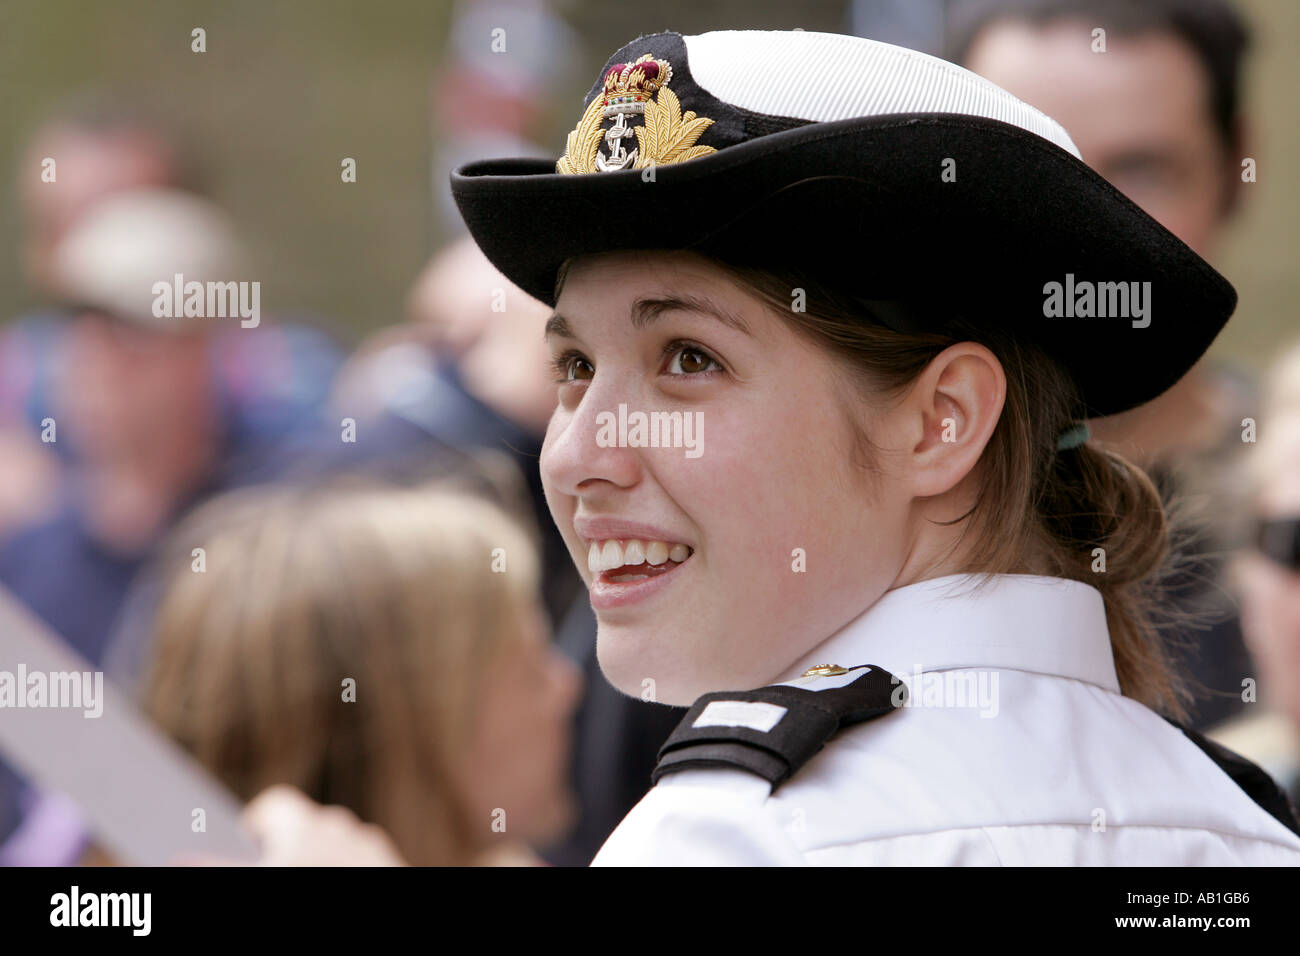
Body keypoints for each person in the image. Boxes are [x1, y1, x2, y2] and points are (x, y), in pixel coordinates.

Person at [213, 28, 1300, 865]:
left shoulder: (732, 838)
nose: (584, 453)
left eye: (688, 358)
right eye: (574, 368)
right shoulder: (1238, 829)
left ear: (942, 421)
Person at [944, 0, 1259, 730]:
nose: (1087, 228)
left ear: (1239, 167)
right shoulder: (834, 519)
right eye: (1030, 168)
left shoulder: (1282, 510)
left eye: (1142, 169)